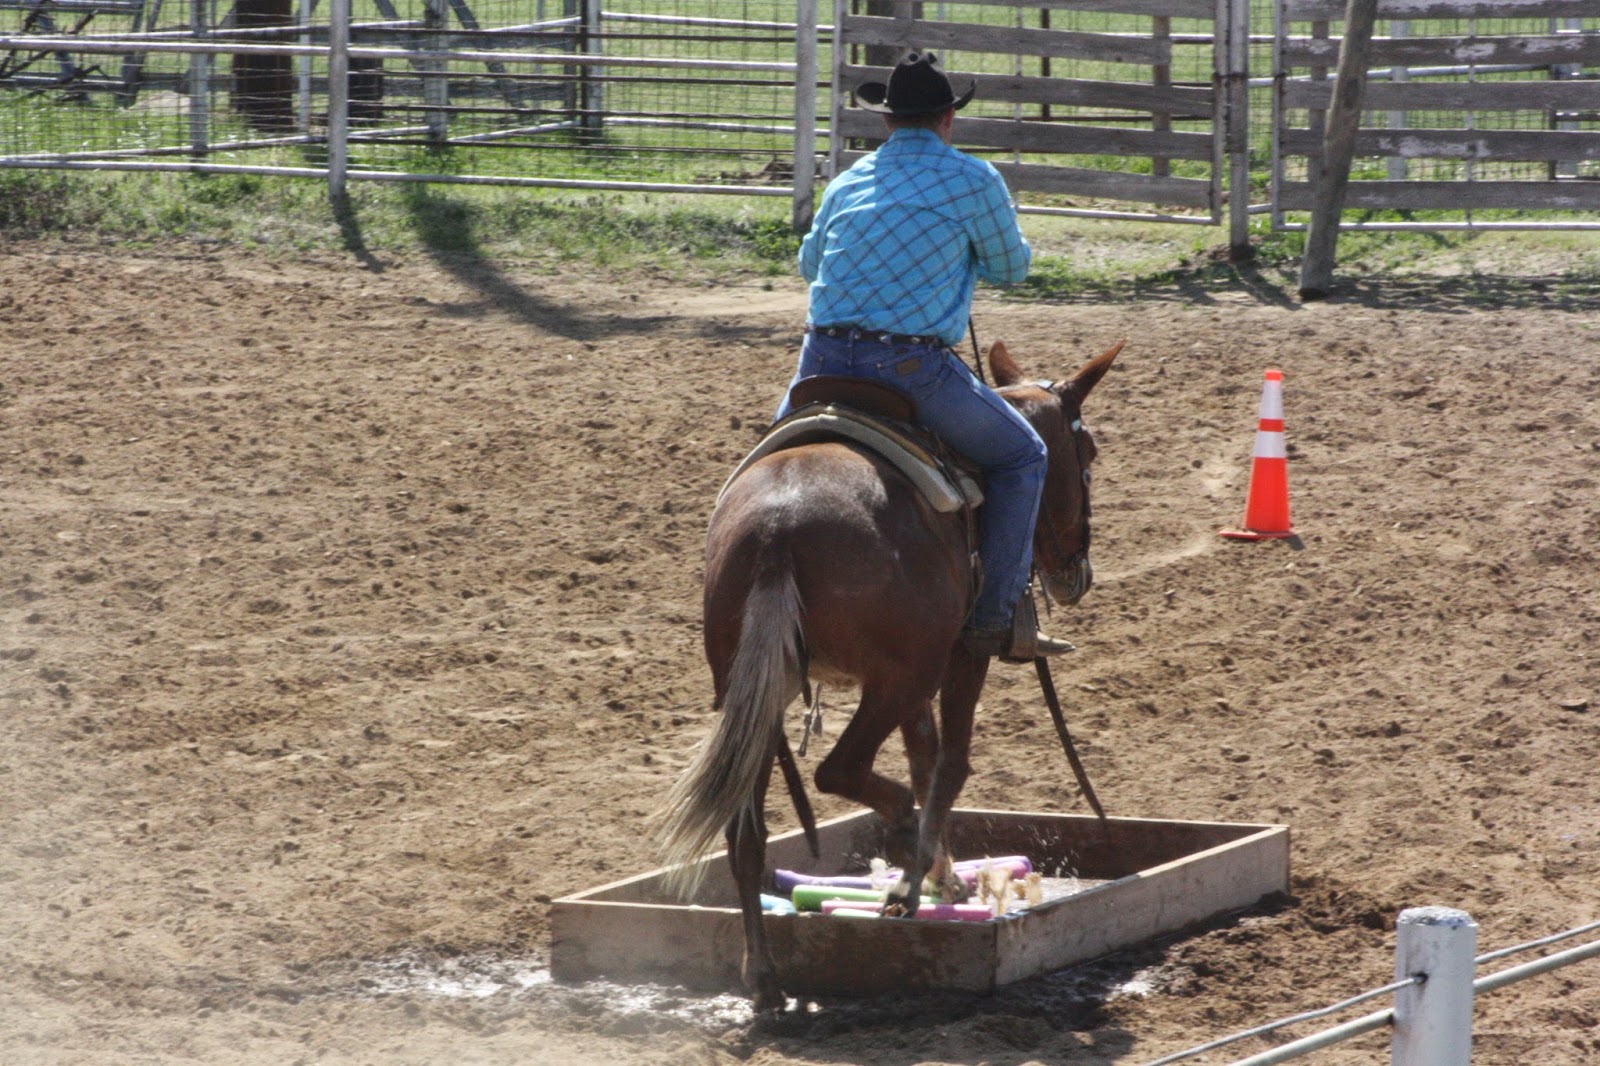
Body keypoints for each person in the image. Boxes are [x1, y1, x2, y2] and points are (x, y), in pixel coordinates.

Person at [776, 50, 1070, 663]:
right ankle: (995, 616)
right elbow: (1012, 268)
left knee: (771, 465)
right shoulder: (973, 179)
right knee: (1023, 456)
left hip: (820, 362)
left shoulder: (848, 180)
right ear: (947, 119)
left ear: (886, 122)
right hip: (911, 370)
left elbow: (808, 264)